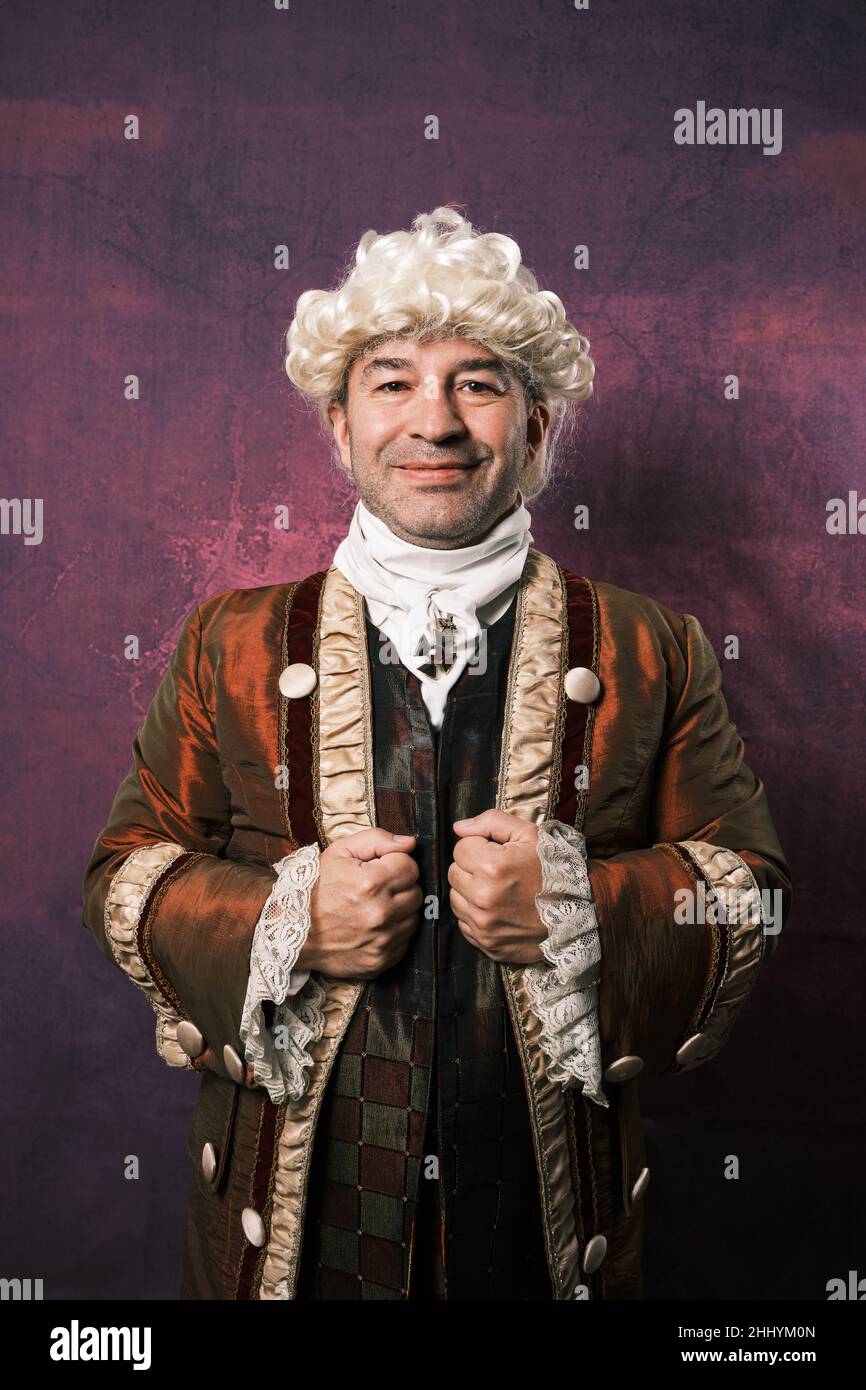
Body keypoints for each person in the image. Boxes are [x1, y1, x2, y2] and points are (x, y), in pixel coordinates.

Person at [81, 205, 792, 1301]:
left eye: (478, 383)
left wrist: (584, 913)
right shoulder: (226, 641)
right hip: (296, 1238)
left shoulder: (654, 645)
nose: (435, 421)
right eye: (392, 381)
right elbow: (124, 877)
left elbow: (748, 894)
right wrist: (281, 923)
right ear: (339, 423)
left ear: (536, 425)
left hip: (543, 1233)